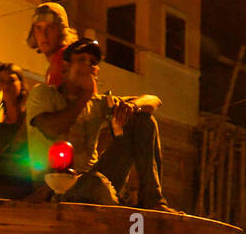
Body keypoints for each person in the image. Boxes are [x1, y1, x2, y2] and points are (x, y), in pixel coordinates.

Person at [26, 38, 174, 209]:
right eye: (82, 60)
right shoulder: (43, 94)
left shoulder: (98, 103)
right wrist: (85, 95)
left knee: (144, 120)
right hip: (53, 185)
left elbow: (153, 100)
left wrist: (132, 106)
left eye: (93, 62)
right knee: (95, 183)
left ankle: (152, 200)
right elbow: (52, 129)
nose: (88, 66)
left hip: (94, 179)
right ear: (66, 67)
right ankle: (120, 207)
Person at [26, 2, 76, 87]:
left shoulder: (63, 60)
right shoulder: (54, 64)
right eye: (39, 28)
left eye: (50, 27)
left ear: (61, 31)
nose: (44, 34)